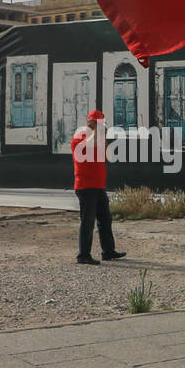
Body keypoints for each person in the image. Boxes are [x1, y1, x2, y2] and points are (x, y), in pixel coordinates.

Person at [70, 108, 126, 266]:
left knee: (105, 219)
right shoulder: (79, 136)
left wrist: (104, 137)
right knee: (87, 221)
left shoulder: (98, 138)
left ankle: (108, 251)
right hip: (86, 186)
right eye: (98, 124)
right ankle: (83, 255)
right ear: (90, 123)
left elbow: (108, 155)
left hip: (98, 186)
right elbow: (88, 145)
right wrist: (99, 131)